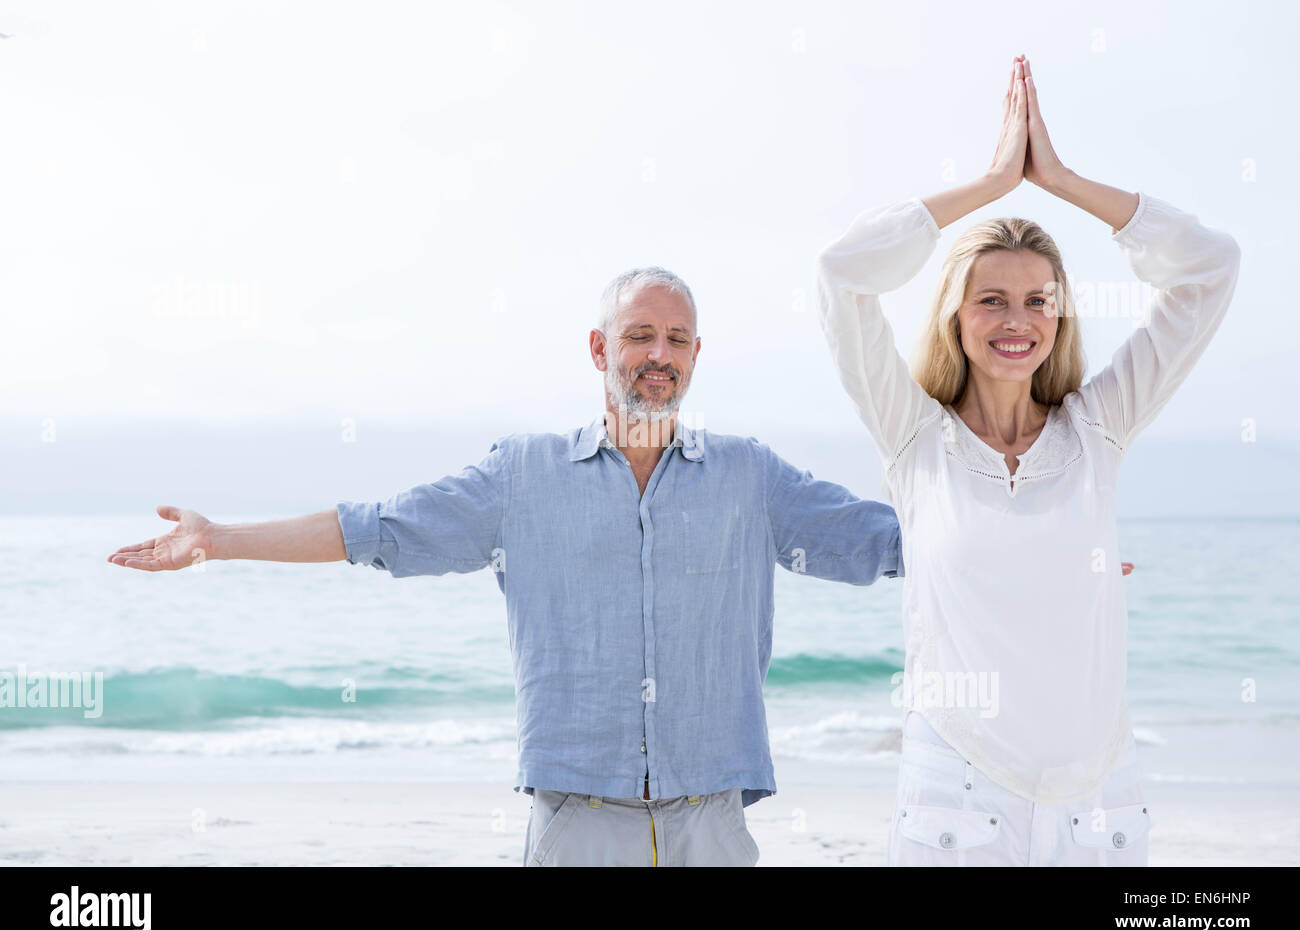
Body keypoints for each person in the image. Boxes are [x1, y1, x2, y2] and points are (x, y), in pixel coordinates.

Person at [108, 266, 906, 866]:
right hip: (576, 821)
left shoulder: (750, 476)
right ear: (600, 348)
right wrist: (221, 538)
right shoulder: (521, 477)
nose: (657, 355)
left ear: (696, 354)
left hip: (714, 821)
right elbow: (378, 528)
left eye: (675, 339)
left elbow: (890, 541)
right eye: (638, 335)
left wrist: (1019, 511)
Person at [814, 55, 1240, 866]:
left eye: (1038, 300)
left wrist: (1061, 179)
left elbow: (1212, 267)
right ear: (956, 315)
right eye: (991, 298)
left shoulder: (1098, 429)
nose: (1019, 320)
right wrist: (992, 182)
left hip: (1099, 801)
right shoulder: (913, 436)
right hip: (957, 797)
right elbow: (840, 273)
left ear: (1061, 314)